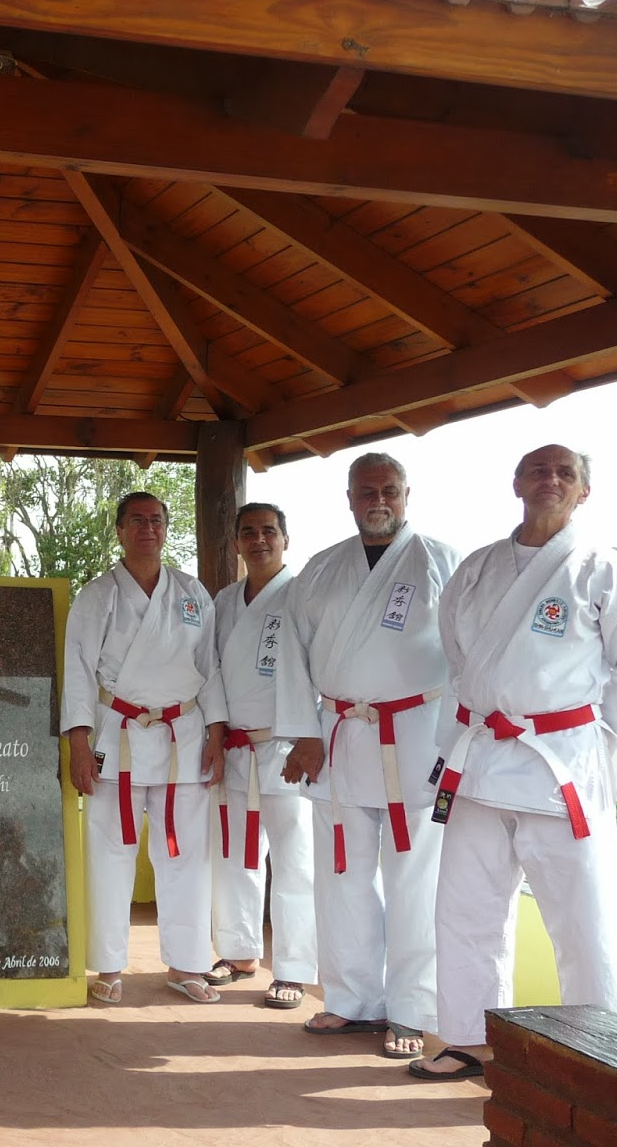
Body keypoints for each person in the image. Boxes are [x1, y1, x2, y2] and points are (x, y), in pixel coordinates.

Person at [410, 445, 617, 1080]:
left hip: (558, 767)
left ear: (585, 491)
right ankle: (470, 1039)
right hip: (478, 765)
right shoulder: (476, 569)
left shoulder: (606, 572)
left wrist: (591, 730)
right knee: (466, 908)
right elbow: (460, 653)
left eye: (565, 473)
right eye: (537, 469)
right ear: (516, 483)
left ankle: (602, 1055)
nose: (549, 480)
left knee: (584, 916)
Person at [276, 452, 459, 1060]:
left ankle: (411, 1007)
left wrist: (455, 742)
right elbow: (293, 659)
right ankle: (354, 999)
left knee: (414, 877)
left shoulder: (443, 562)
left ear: (408, 495)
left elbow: (468, 654)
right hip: (339, 735)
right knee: (342, 875)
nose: (377, 499)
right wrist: (302, 730)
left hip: (415, 735)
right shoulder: (322, 568)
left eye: (389, 489)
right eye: (365, 490)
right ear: (348, 497)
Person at [64, 491, 228, 1006]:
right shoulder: (97, 596)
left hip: (184, 733)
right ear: (119, 529)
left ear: (164, 528)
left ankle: (187, 963)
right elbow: (77, 672)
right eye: (137, 520)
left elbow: (212, 667)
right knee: (112, 851)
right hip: (120, 735)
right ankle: (109, 966)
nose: (148, 528)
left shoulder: (191, 592)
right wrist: (78, 742)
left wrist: (218, 734)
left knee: (184, 852)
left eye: (156, 520)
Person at [208, 503, 317, 1010]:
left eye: (269, 531)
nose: (259, 540)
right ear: (235, 544)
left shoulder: (304, 595)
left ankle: (292, 967)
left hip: (286, 745)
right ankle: (239, 951)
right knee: (235, 855)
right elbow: (209, 673)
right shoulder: (225, 601)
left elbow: (319, 672)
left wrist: (307, 738)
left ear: (286, 539)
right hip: (235, 746)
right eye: (247, 532)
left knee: (294, 862)